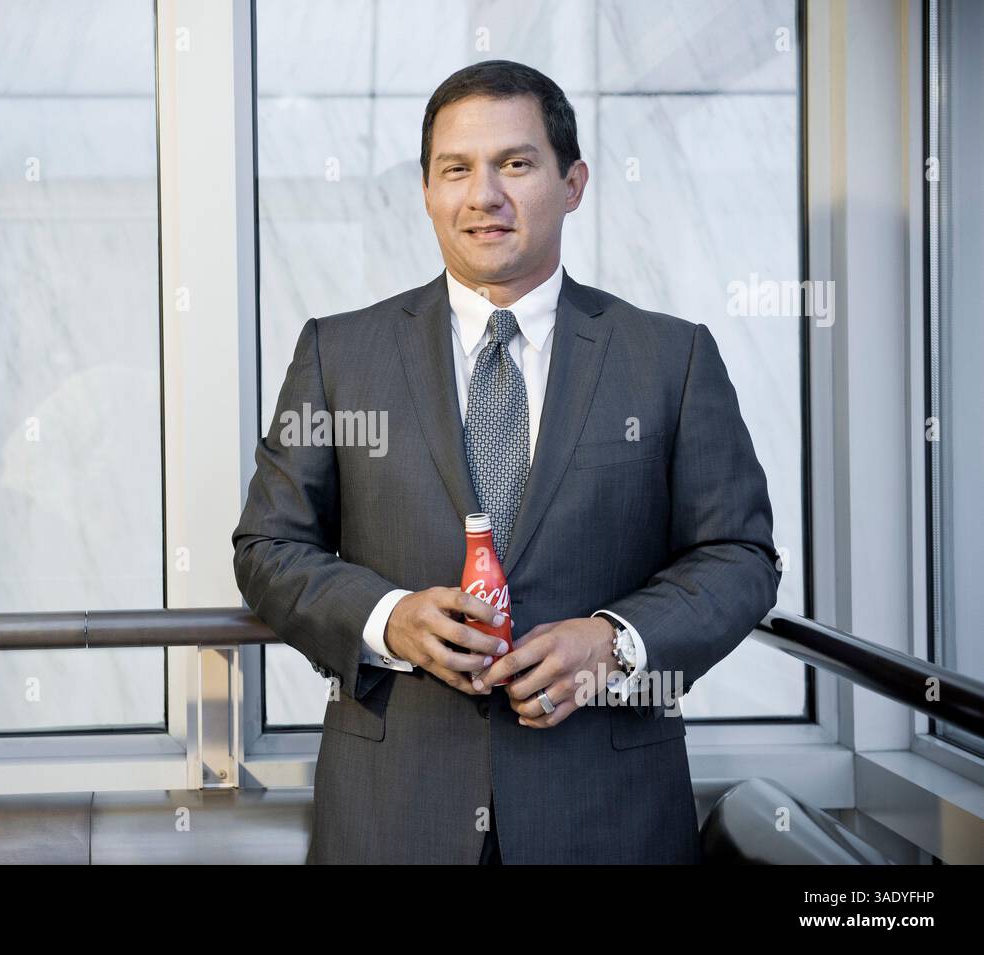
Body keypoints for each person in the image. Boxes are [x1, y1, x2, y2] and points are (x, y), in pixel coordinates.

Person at [232, 59, 781, 864]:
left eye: (515, 164)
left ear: (574, 182)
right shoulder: (339, 354)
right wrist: (388, 618)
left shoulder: (670, 357)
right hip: (394, 817)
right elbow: (268, 548)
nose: (483, 194)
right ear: (426, 190)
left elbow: (739, 556)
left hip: (607, 816)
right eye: (456, 168)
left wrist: (615, 642)